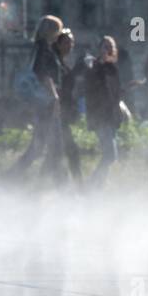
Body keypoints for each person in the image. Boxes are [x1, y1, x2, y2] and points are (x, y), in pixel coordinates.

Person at [10, 15, 68, 181]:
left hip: (43, 103)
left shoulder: (39, 48)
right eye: (57, 30)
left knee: (43, 146)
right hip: (47, 103)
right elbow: (45, 75)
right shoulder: (44, 49)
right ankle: (14, 179)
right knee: (52, 146)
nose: (59, 34)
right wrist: (55, 97)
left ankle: (43, 184)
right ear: (50, 31)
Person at [85, 36, 126, 186]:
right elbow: (91, 89)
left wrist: (128, 88)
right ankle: (92, 183)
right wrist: (97, 63)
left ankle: (98, 186)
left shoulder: (112, 68)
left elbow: (115, 93)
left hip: (111, 117)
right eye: (105, 46)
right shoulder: (94, 66)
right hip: (100, 117)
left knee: (109, 156)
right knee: (110, 155)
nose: (108, 49)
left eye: (111, 47)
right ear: (100, 48)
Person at [54, 28, 85, 185]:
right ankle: (77, 186)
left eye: (72, 42)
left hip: (61, 114)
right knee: (69, 151)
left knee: (60, 152)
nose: (70, 45)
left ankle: (68, 185)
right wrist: (76, 71)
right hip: (55, 113)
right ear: (58, 43)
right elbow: (61, 87)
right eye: (67, 42)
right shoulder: (56, 63)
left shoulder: (62, 63)